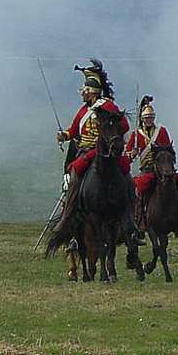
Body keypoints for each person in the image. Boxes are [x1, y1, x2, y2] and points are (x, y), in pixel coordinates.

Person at [55, 61, 134, 253]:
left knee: (127, 176)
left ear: (92, 90)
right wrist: (64, 135)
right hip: (84, 151)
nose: (81, 91)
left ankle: (132, 218)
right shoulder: (83, 110)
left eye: (84, 88)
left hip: (102, 151)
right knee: (74, 176)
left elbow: (123, 125)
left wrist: (107, 136)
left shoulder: (108, 106)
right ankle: (69, 216)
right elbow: (74, 130)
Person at [125, 96, 178, 236]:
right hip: (147, 169)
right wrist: (132, 153)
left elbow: (169, 150)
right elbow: (128, 157)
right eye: (147, 118)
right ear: (142, 119)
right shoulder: (136, 135)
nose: (149, 120)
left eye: (151, 117)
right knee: (138, 193)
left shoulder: (162, 131)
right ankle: (139, 221)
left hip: (163, 168)